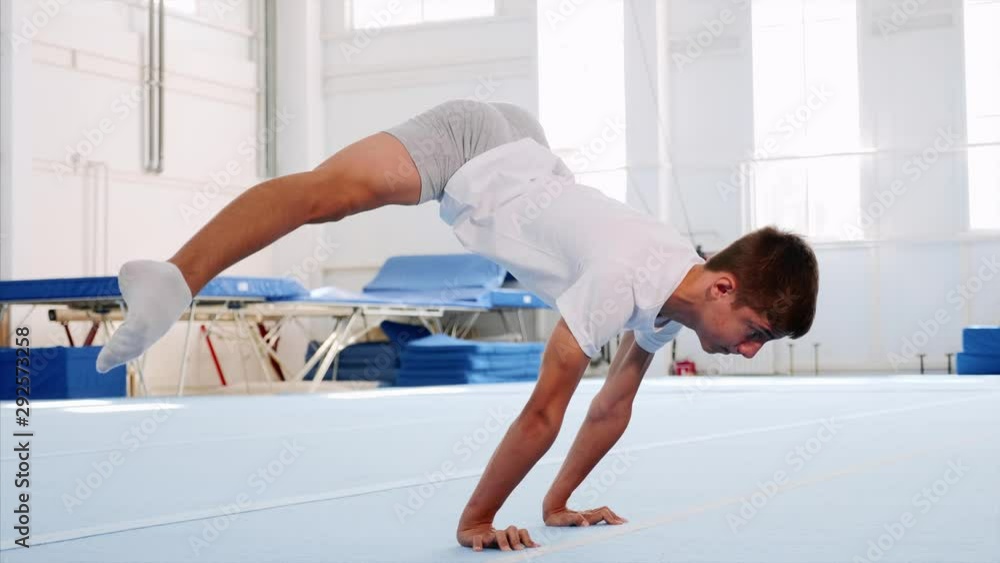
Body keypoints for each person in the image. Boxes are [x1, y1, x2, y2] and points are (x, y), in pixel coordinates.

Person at [95, 99, 819, 552]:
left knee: (341, 195)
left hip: (531, 158)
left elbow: (614, 402)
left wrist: (558, 501)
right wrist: (477, 517)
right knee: (332, 196)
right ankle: (174, 277)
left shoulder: (676, 292)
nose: (750, 350)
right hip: (476, 145)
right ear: (723, 285)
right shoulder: (627, 274)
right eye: (754, 329)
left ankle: (176, 275)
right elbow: (545, 410)